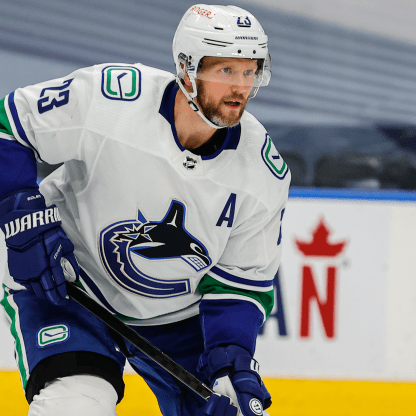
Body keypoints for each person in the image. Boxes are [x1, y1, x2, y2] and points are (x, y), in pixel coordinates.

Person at [0, 4, 290, 416]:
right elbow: (9, 127)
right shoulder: (110, 98)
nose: (240, 87)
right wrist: (21, 215)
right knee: (77, 406)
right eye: (226, 70)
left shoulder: (262, 171)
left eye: (249, 72)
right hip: (67, 283)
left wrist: (230, 358)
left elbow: (240, 286)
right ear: (187, 69)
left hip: (179, 318)